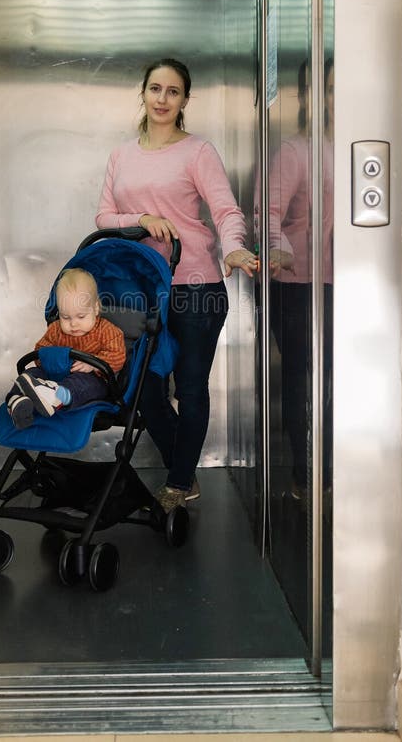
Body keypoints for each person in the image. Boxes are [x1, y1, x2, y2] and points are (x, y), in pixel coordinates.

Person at [95, 57, 258, 513]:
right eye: (155, 89)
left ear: (185, 100)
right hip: (142, 291)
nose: (162, 99)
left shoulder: (198, 152)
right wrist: (142, 219)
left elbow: (226, 211)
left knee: (189, 388)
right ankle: (182, 467)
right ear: (143, 94)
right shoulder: (121, 155)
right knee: (145, 390)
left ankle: (179, 481)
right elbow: (104, 216)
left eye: (173, 91)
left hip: (195, 287)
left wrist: (232, 249)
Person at [267, 58, 334, 500]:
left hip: (348, 286)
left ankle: (331, 469)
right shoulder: (295, 152)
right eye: (328, 88)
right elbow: (267, 217)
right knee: (300, 380)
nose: (335, 97)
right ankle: (306, 472)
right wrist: (282, 253)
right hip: (299, 288)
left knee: (337, 381)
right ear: (312, 96)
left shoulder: (358, 147)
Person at [6, 268, 126, 429]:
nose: (73, 323)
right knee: (30, 374)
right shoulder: (56, 330)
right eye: (65, 317)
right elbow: (41, 350)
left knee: (83, 383)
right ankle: (17, 401)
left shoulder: (107, 331)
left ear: (96, 308)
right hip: (54, 377)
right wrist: (50, 359)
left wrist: (93, 364)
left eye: (81, 316)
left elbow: (117, 356)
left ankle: (58, 397)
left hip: (90, 380)